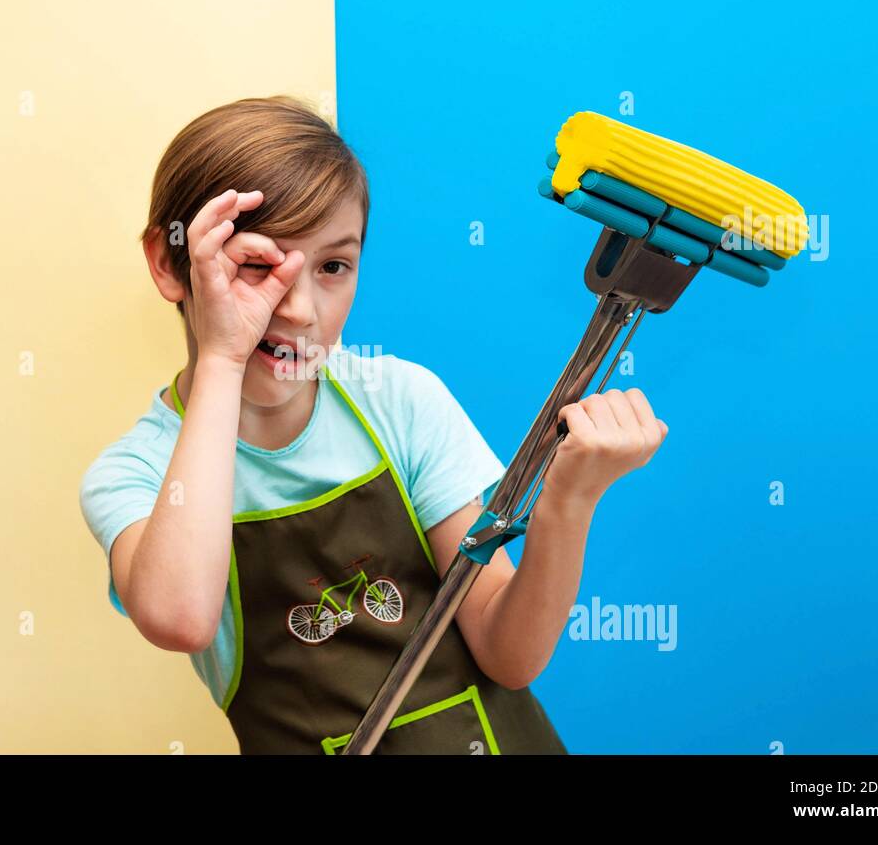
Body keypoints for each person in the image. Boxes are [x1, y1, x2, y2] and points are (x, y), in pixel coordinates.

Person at [79, 95, 668, 754]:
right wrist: (222, 356)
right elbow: (181, 617)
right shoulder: (136, 473)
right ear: (170, 263)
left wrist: (569, 500)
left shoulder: (400, 402)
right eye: (257, 266)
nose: (300, 309)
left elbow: (509, 654)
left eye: (333, 266)